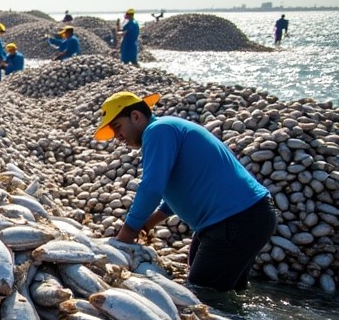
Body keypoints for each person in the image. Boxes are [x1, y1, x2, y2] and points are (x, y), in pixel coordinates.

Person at [95, 91, 275, 291]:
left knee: (202, 293)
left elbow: (152, 186)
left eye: (117, 127)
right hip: (241, 218)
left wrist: (127, 234)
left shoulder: (158, 131)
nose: (117, 136)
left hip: (236, 220)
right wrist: (149, 223)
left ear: (135, 116)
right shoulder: (168, 127)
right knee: (224, 289)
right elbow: (180, 188)